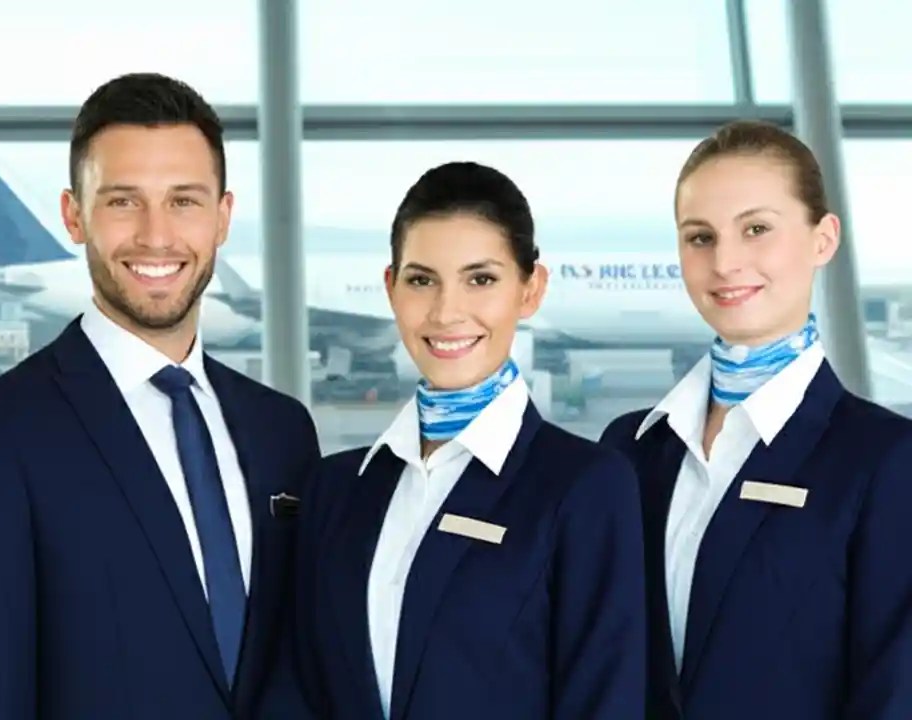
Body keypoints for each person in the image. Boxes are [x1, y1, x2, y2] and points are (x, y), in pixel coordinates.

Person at [0, 72, 321, 720]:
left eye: (184, 201)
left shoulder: (282, 432)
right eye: (122, 202)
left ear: (223, 216)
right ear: (74, 216)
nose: (156, 235)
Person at [295, 161, 646, 719]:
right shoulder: (334, 490)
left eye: (480, 279)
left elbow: (604, 698)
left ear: (530, 290)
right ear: (391, 289)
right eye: (421, 279)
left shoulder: (585, 486)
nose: (446, 312)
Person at [600, 119, 912, 719]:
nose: (725, 262)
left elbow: (894, 693)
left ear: (823, 239)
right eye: (700, 237)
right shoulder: (630, 451)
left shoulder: (885, 462)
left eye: (757, 229)